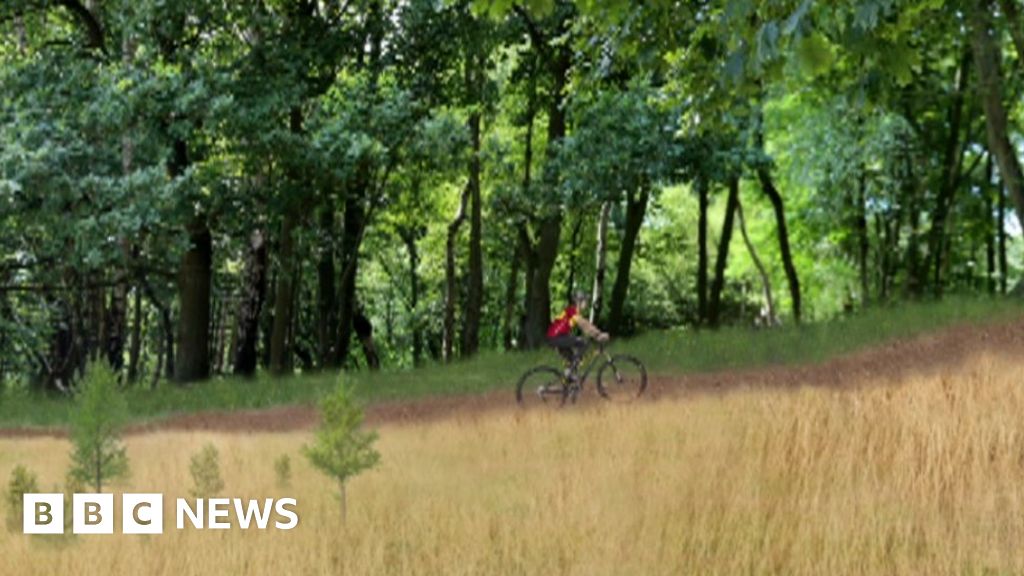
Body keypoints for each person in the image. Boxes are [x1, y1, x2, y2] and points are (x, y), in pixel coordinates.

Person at [546, 291, 609, 378]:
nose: (586, 303)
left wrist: (594, 333)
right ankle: (572, 370)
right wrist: (598, 334)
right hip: (556, 337)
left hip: (556, 337)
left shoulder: (573, 311)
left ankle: (569, 379)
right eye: (585, 301)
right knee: (582, 343)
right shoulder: (572, 311)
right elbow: (584, 325)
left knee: (571, 358)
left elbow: (585, 325)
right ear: (579, 302)